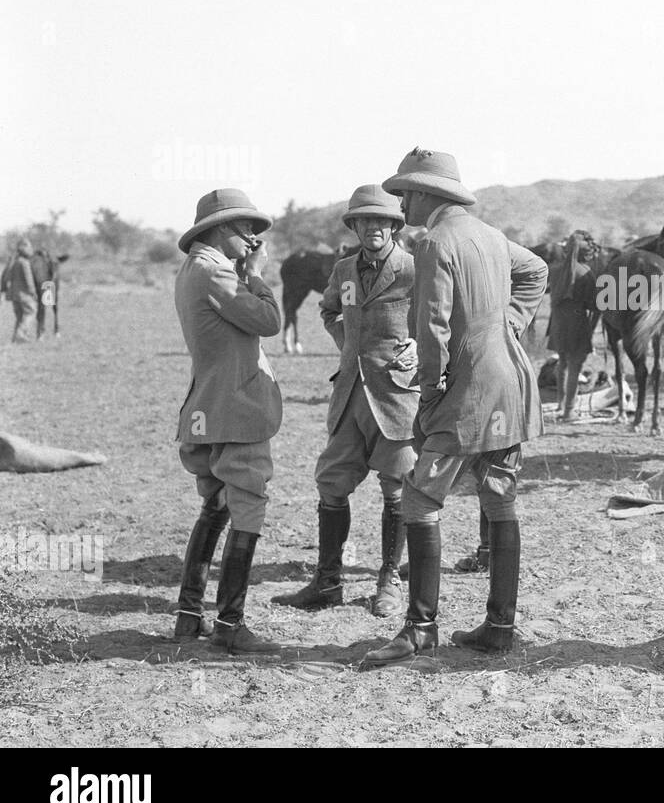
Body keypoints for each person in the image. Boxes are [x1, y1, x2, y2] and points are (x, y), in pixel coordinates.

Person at [362, 147, 547, 667]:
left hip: (466, 392)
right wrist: (511, 322)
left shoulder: (437, 243)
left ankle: (421, 628)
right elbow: (535, 268)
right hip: (510, 383)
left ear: (425, 193)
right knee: (500, 498)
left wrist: (430, 392)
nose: (399, 202)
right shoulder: (488, 234)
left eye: (403, 193)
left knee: (420, 502)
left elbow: (433, 329)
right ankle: (500, 627)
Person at [272, 185, 419, 617]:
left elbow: (441, 316)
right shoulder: (343, 270)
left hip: (396, 397)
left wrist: (419, 346)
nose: (373, 227)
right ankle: (327, 580)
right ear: (354, 226)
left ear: (394, 225)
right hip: (351, 392)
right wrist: (348, 344)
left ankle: (389, 579)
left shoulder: (416, 269)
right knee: (332, 482)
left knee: (397, 486)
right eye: (364, 221)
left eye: (381, 221)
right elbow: (329, 310)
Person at [172, 189, 282, 653]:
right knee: (247, 505)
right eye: (247, 229)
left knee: (215, 504)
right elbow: (269, 321)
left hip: (209, 405)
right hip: (235, 409)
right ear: (220, 229)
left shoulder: (196, 268)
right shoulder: (216, 271)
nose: (255, 238)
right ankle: (231, 625)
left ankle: (188, 615)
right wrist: (256, 277)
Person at [547, 230, 601, 422]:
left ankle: (560, 404)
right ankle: (569, 411)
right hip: (577, 323)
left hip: (557, 322)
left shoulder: (553, 269)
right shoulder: (586, 273)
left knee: (562, 363)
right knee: (575, 366)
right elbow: (595, 304)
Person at [7, 239, 37, 343]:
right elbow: (29, 280)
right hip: (24, 295)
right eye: (29, 247)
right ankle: (20, 334)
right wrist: (33, 293)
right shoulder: (24, 263)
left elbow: (8, 277)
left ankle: (15, 339)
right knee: (31, 312)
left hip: (14, 295)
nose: (31, 249)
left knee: (20, 317)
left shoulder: (14, 262)